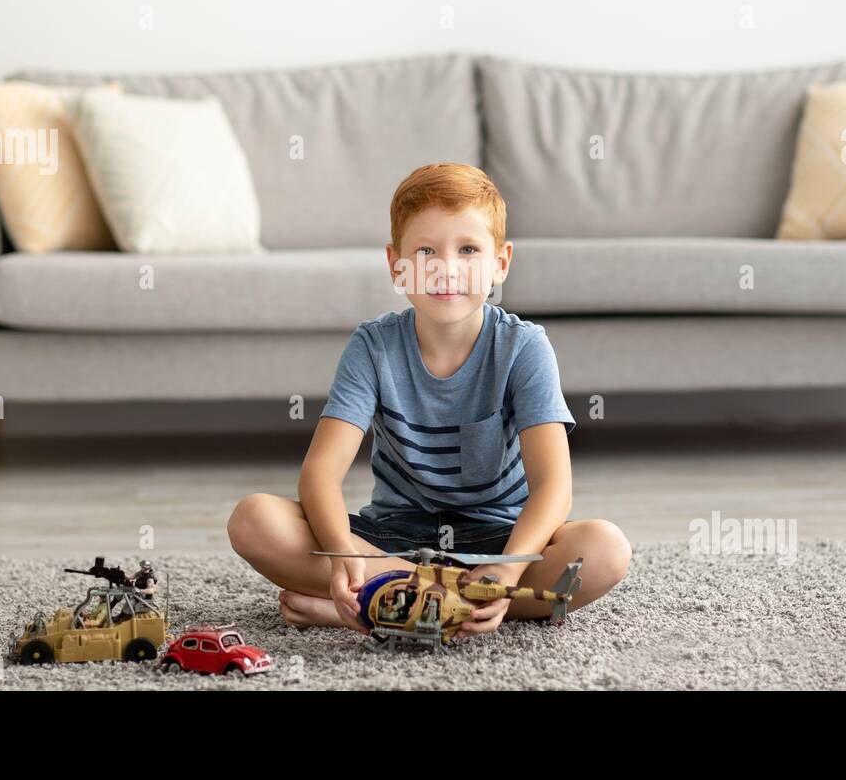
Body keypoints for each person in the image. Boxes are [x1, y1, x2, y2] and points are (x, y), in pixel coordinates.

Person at [226, 163, 632, 640]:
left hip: (497, 543)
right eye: (425, 251)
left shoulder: (524, 347)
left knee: (605, 548)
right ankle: (450, 605)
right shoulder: (373, 346)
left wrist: (506, 573)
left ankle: (377, 608)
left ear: (500, 263)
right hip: (391, 541)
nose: (446, 268)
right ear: (395, 263)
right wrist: (346, 553)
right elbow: (319, 474)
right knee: (254, 519)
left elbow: (553, 490)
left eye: (467, 249)